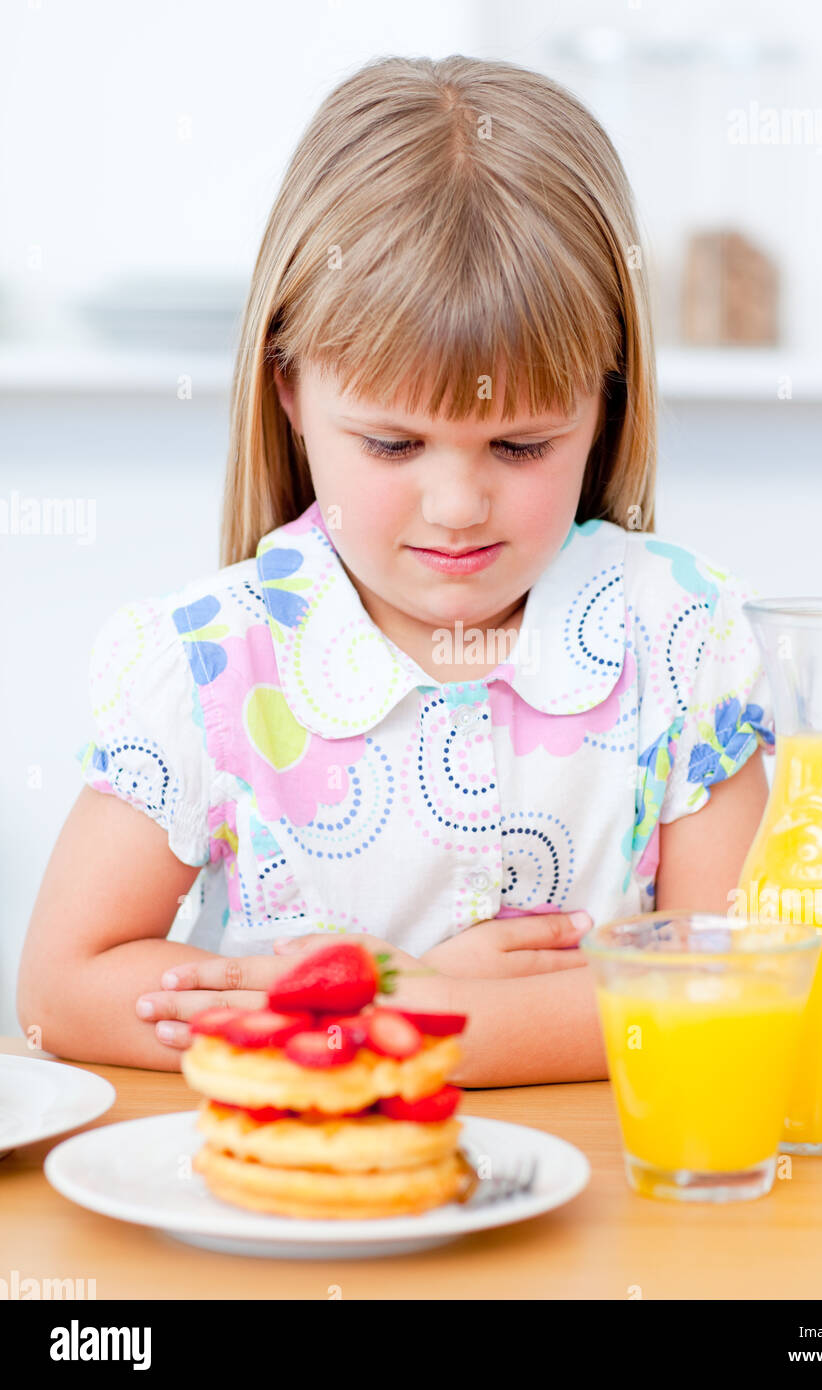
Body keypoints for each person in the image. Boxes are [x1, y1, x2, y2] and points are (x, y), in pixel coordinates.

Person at [18, 54, 775, 1084]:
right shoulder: (209, 662)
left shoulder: (683, 635)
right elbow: (61, 994)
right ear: (287, 390)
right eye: (391, 444)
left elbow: (728, 991)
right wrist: (387, 999)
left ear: (606, 403)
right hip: (290, 1220)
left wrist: (415, 1011)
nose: (458, 505)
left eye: (519, 447)